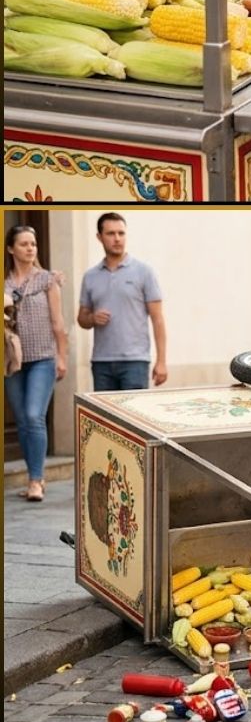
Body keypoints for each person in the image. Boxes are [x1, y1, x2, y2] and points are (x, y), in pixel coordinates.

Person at [4, 224, 68, 504]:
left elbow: (58, 323)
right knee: (22, 420)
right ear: (10, 249)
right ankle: (33, 475)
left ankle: (36, 480)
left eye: (33, 243)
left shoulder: (47, 280)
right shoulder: (4, 285)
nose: (30, 248)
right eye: (24, 244)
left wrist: (62, 357)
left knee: (33, 416)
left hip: (43, 358)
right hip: (13, 363)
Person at [77, 212, 167, 391]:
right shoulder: (90, 276)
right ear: (99, 237)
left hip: (135, 362)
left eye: (121, 233)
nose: (117, 239)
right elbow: (81, 319)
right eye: (111, 234)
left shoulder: (144, 272)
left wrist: (161, 361)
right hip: (101, 362)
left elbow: (158, 319)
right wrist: (93, 318)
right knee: (104, 419)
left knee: (133, 417)